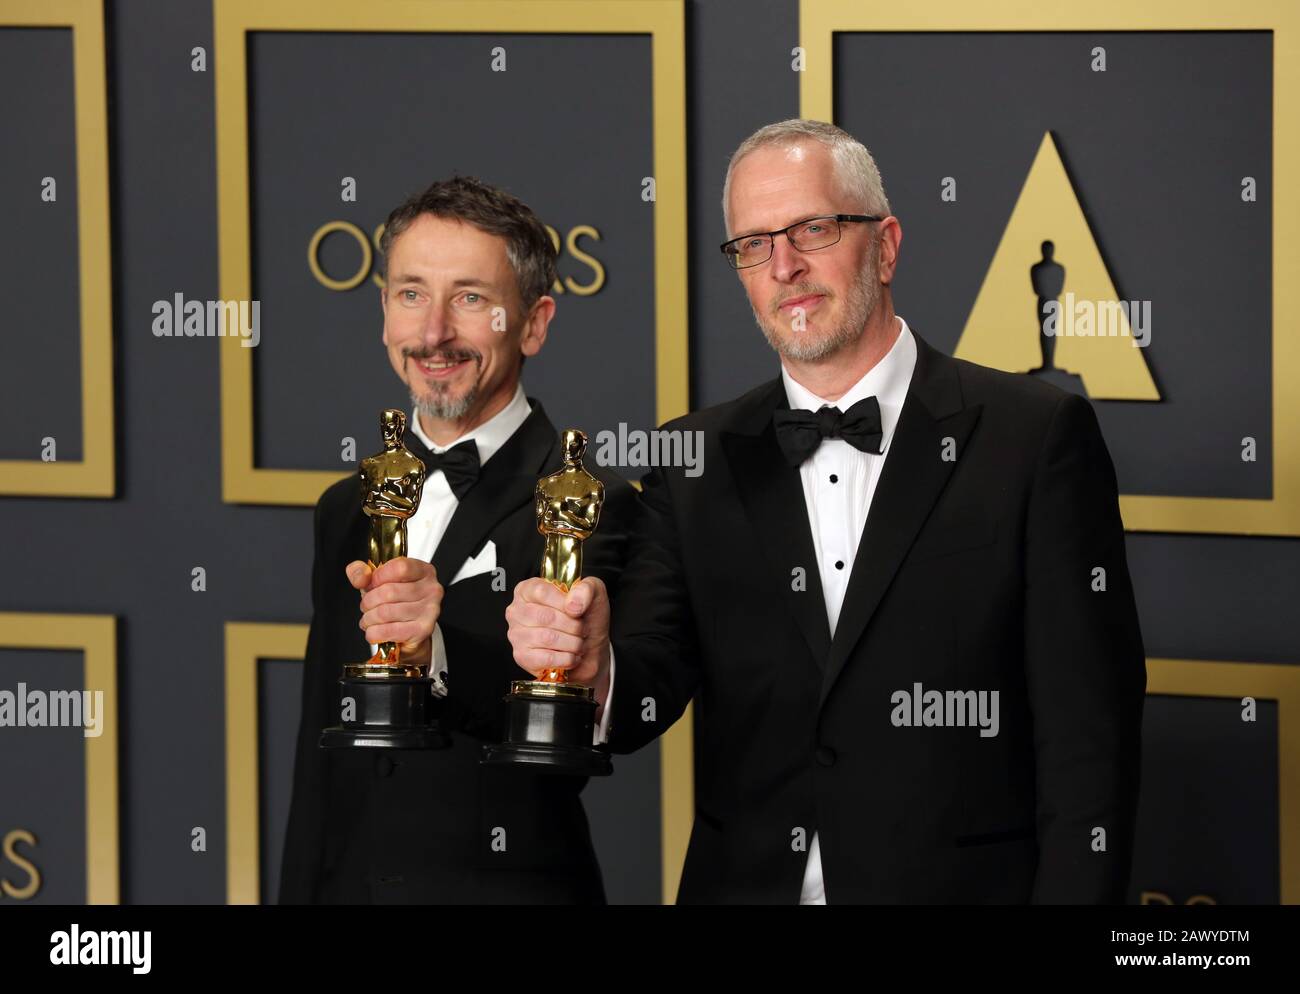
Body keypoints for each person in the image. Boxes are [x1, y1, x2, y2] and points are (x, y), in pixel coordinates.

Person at [505, 119, 1146, 904]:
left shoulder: (1035, 436)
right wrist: (595, 666)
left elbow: (1089, 740)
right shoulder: (693, 457)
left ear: (886, 244)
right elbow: (650, 683)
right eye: (752, 243)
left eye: (814, 228)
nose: (784, 266)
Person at [280, 175, 633, 904]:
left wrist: (431, 653)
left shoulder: (593, 504)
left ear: (534, 324)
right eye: (411, 293)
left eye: (470, 298)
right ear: (384, 312)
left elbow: (568, 740)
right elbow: (321, 768)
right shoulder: (343, 508)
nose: (433, 331)